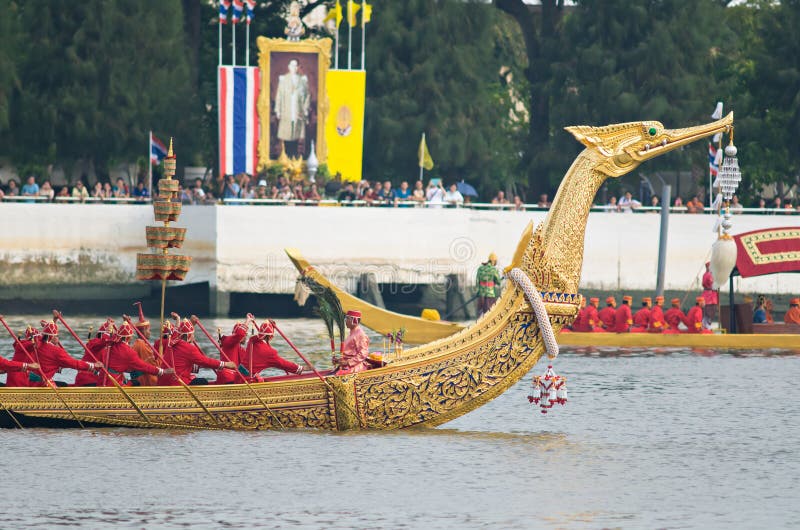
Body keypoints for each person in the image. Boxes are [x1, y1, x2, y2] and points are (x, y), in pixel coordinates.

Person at [156, 319, 235, 385]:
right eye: (193, 334)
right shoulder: (188, 348)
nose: (194, 337)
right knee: (203, 381)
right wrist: (225, 364)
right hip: (178, 382)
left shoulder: (172, 343)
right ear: (189, 336)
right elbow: (204, 361)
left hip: (163, 381)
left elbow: (183, 365)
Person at [30, 321, 102, 386]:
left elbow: (40, 334)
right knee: (62, 385)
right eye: (57, 336)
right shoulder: (56, 351)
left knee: (63, 384)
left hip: (30, 380)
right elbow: (74, 363)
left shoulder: (36, 343)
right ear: (53, 337)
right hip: (42, 383)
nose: (58, 338)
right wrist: (93, 365)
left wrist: (50, 323)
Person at [98, 323, 172, 387]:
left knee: (135, 379)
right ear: (129, 338)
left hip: (103, 376)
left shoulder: (112, 343)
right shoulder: (128, 351)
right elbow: (144, 366)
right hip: (113, 382)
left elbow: (108, 337)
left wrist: (109, 330)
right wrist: (162, 371)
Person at [275, 58, 310, 157]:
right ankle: (287, 156)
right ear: (288, 67)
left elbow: (307, 95)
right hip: (287, 111)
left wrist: (305, 108)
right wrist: (278, 110)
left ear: (298, 67)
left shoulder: (302, 80)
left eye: (295, 66)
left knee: (296, 134)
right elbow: (279, 95)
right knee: (287, 134)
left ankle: (294, 157)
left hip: (298, 112)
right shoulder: (283, 79)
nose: (293, 68)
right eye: (291, 65)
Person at [74, 318, 116, 386]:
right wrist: (108, 331)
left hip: (97, 378)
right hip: (87, 379)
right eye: (111, 335)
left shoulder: (107, 347)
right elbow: (103, 341)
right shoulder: (94, 343)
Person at [130, 303, 160, 386]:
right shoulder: (141, 345)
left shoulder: (137, 343)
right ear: (143, 330)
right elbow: (153, 365)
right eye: (148, 330)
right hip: (146, 380)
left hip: (140, 378)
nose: (150, 332)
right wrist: (162, 357)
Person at [702, 262, 718, 329]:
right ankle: (707, 325)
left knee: (706, 313)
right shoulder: (709, 275)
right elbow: (713, 284)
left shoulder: (705, 274)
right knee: (710, 311)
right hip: (710, 296)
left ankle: (705, 325)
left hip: (707, 295)